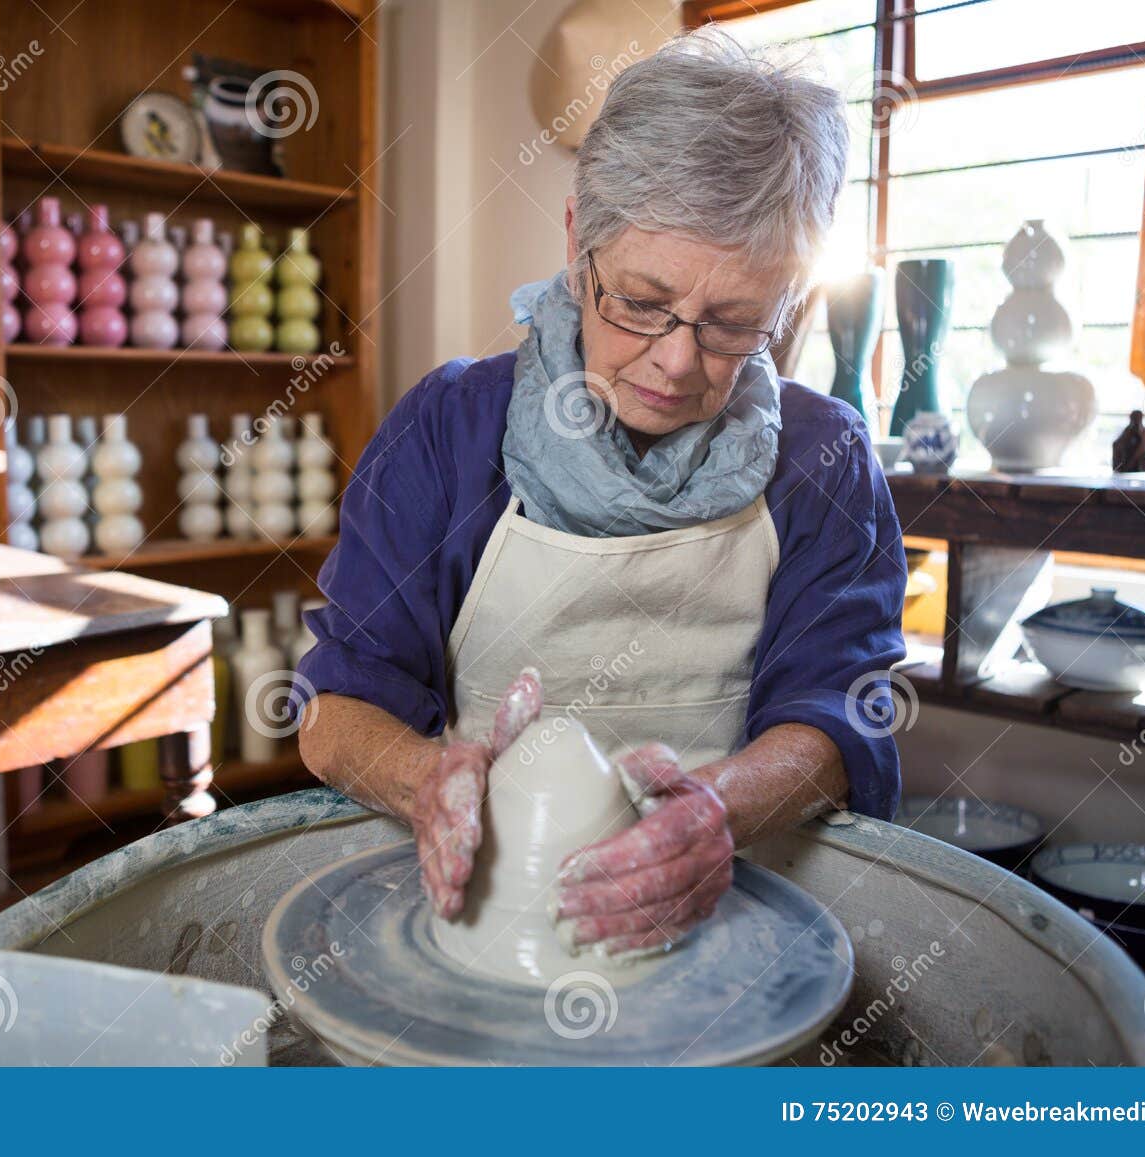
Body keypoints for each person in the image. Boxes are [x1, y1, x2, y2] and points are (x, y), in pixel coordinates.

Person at [291, 31, 906, 959]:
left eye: (735, 324)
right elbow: (335, 714)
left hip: (721, 920)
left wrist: (716, 813)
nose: (676, 359)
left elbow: (842, 713)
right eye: (642, 301)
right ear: (580, 240)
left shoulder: (824, 459)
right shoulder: (451, 430)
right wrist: (428, 781)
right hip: (482, 923)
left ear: (787, 302)